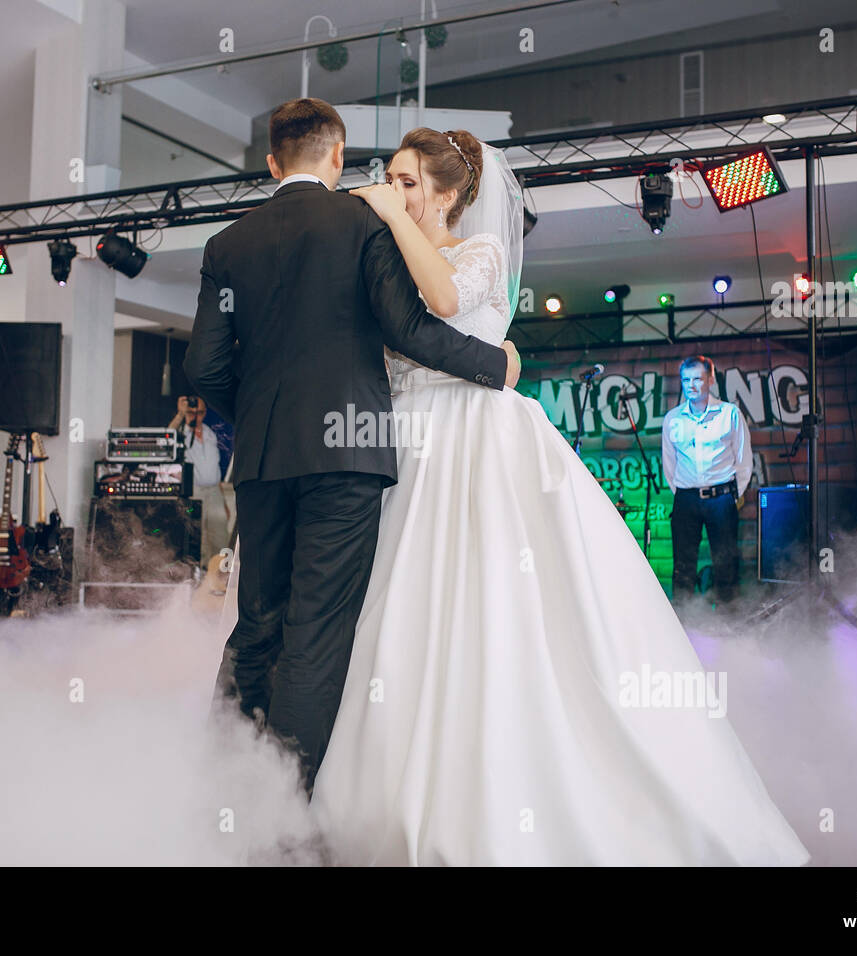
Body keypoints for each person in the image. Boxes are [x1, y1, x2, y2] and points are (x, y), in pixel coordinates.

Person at [292, 126, 808, 864]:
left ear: (446, 194)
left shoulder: (480, 252)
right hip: (399, 438)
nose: (395, 192)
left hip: (473, 434)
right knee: (397, 607)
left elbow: (440, 298)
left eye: (409, 182)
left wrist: (393, 220)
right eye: (392, 180)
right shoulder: (386, 254)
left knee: (496, 606)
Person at [184, 98, 521, 795]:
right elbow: (409, 331)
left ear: (272, 162)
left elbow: (204, 371)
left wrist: (260, 412)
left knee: (258, 621)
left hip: (264, 457)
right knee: (317, 632)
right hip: (349, 454)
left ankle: (222, 780)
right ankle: (281, 808)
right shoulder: (362, 221)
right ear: (338, 157)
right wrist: (499, 367)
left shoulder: (227, 245)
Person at [660, 356, 752, 604]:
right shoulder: (673, 419)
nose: (691, 385)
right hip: (686, 499)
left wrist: (733, 496)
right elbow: (669, 464)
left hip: (721, 497)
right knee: (682, 565)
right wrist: (683, 492)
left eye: (697, 379)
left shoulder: (729, 414)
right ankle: (684, 625)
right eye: (686, 380)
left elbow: (743, 462)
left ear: (710, 379)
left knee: (726, 563)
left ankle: (727, 623)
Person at [168, 395, 227, 564]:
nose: (195, 416)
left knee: (219, 535)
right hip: (194, 491)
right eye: (191, 413)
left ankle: (218, 576)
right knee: (195, 536)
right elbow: (166, 437)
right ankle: (196, 575)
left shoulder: (210, 433)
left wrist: (221, 499)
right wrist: (180, 415)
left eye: (199, 413)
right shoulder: (180, 433)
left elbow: (214, 466)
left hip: (214, 491)